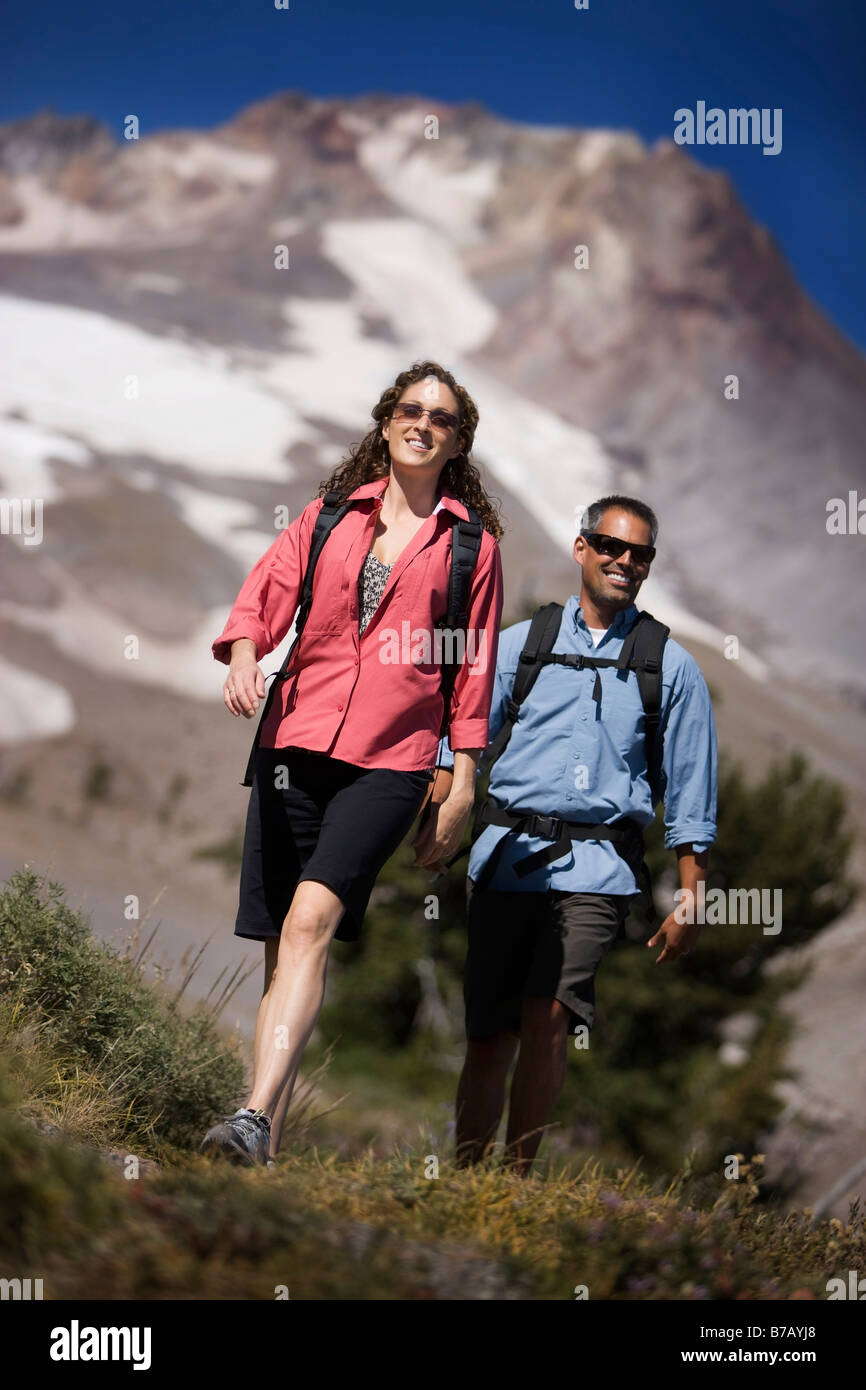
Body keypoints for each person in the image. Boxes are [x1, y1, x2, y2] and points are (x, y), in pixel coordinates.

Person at [201, 361, 504, 1165]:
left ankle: (253, 1117)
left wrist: (463, 779)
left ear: (457, 440)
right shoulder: (330, 516)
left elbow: (471, 668)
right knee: (280, 947)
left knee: (310, 923)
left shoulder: (471, 546)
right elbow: (263, 595)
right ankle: (262, 1131)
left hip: (391, 761)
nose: (422, 423)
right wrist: (241, 657)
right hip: (292, 742)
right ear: (384, 421)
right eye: (410, 409)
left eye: (441, 417)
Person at [436, 495, 718, 1176]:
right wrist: (439, 809)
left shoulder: (670, 667)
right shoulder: (523, 645)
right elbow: (463, 733)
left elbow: (690, 789)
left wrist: (691, 895)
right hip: (505, 861)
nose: (625, 561)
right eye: (611, 546)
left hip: (598, 871)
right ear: (582, 548)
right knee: (487, 1036)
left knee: (549, 1017)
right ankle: (467, 1181)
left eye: (640, 553)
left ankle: (515, 1183)